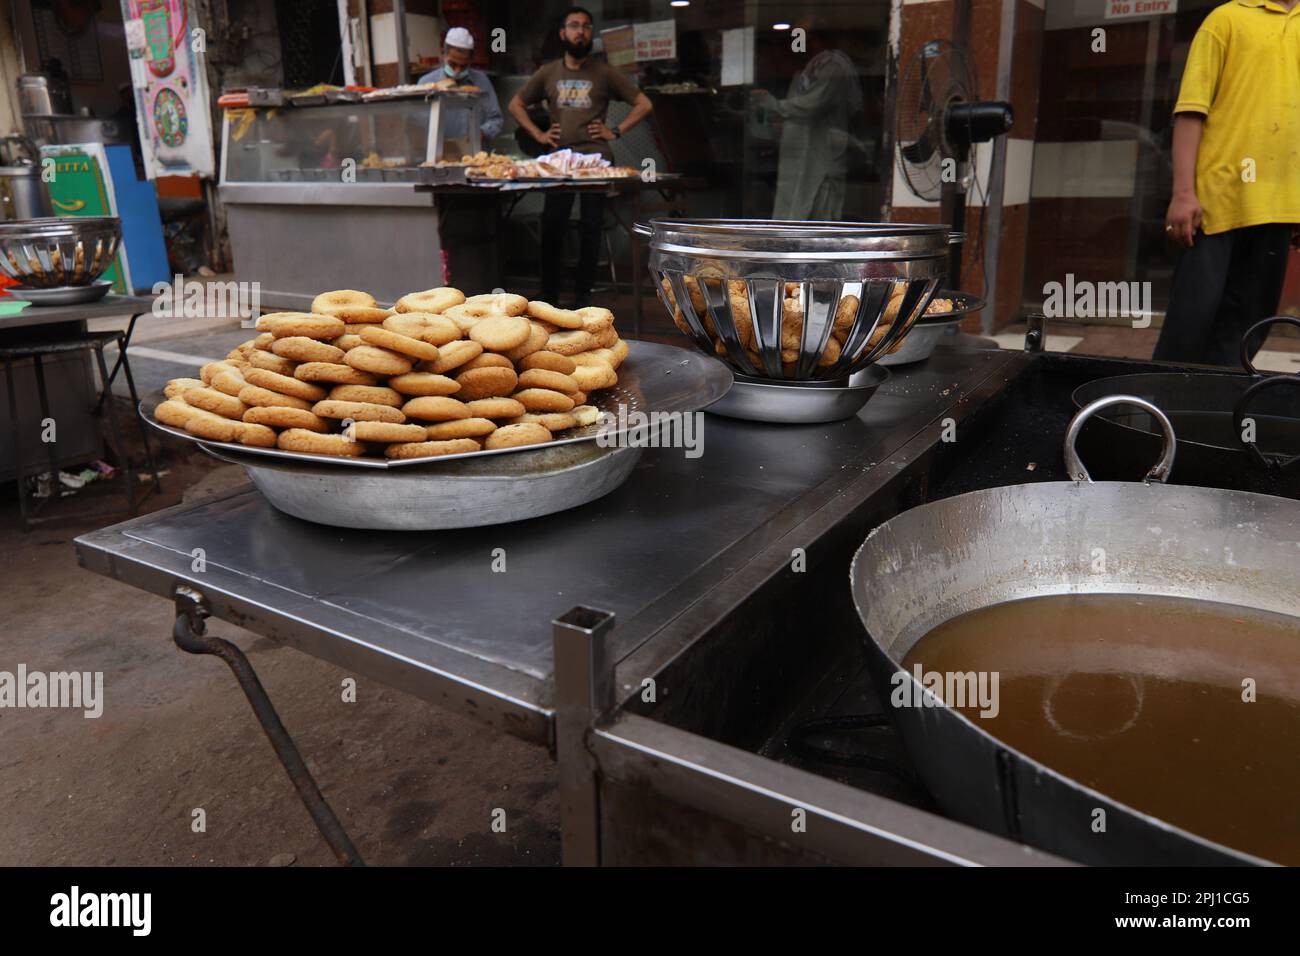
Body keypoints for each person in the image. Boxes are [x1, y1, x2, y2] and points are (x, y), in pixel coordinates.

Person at [1155, 0, 1300, 366]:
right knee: (1189, 331)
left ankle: (1218, 416)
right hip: (1215, 205)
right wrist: (1184, 193)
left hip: (1279, 207)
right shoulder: (1226, 19)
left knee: (1244, 337)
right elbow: (1191, 111)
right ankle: (1158, 416)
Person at [507, 6, 653, 307]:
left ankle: (583, 296)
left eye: (586, 26)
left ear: (590, 33)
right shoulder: (548, 72)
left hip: (596, 161)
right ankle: (549, 295)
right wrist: (539, 135)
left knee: (591, 226)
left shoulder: (604, 72)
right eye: (573, 25)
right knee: (553, 225)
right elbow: (515, 105)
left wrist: (615, 130)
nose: (580, 31)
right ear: (563, 33)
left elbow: (643, 104)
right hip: (559, 160)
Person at [751, 25, 861, 220]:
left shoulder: (833, 65)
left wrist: (775, 105)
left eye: (805, 40)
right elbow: (794, 110)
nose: (800, 46)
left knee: (819, 214)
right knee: (792, 212)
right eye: (796, 41)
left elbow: (812, 105)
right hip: (797, 159)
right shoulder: (803, 71)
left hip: (821, 156)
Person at [418, 27, 503, 153]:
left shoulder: (482, 82)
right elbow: (417, 126)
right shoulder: (426, 84)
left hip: (476, 156)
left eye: (463, 66)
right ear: (443, 54)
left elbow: (496, 120)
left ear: (470, 61)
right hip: (440, 156)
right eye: (453, 64)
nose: (457, 71)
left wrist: (481, 133)